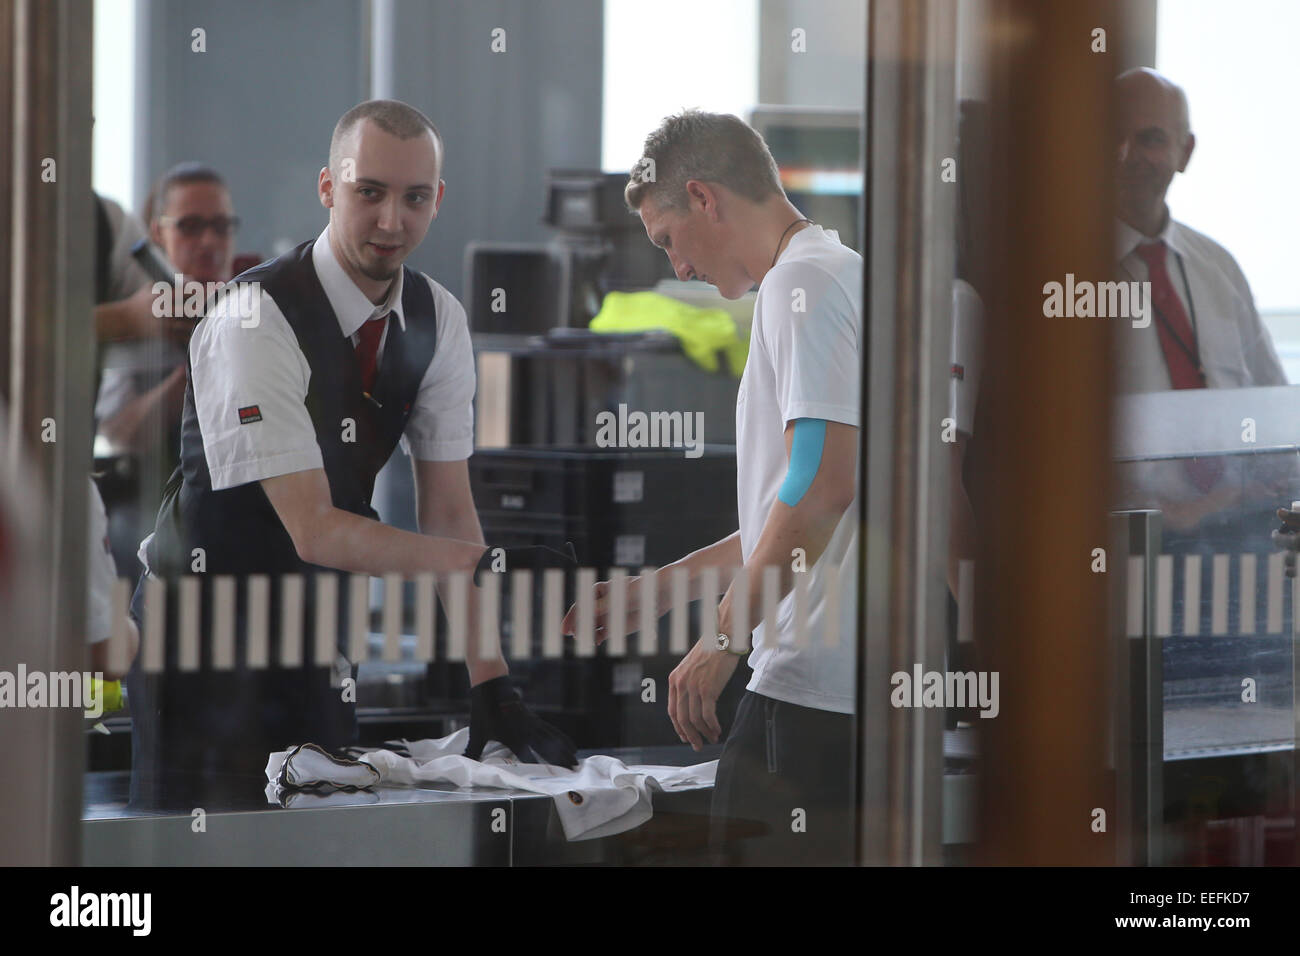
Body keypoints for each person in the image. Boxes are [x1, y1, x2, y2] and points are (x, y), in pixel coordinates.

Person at [126, 100, 576, 805]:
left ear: (438, 201)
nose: (392, 221)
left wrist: (493, 683)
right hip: (198, 646)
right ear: (329, 188)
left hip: (316, 639)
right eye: (370, 192)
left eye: (414, 198)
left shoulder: (438, 319)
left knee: (323, 841)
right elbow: (314, 528)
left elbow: (449, 507)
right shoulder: (254, 316)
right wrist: (481, 563)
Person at [563, 110, 861, 864]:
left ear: (703, 197)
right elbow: (793, 507)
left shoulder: (802, 287)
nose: (679, 270)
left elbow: (822, 490)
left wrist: (726, 636)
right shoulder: (841, 273)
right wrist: (660, 591)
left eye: (668, 241)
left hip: (810, 694)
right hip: (852, 690)